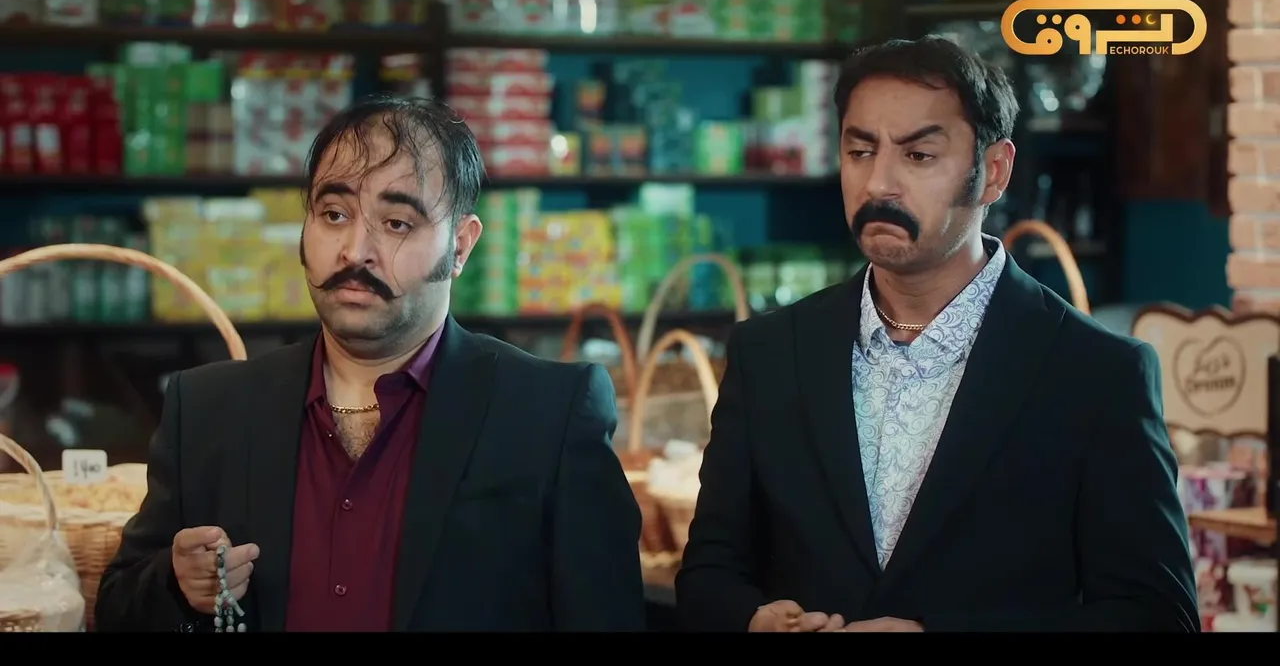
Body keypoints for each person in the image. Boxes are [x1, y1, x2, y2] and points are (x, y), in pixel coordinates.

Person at [675, 37, 1199, 633]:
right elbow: (708, 575)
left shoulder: (1098, 373)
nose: (879, 184)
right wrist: (753, 620)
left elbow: (1157, 615)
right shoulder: (769, 353)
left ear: (994, 172)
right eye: (860, 151)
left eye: (919, 155)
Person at [95, 95, 646, 632]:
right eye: (334, 214)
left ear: (460, 246)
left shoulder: (548, 415)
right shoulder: (209, 410)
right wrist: (176, 584)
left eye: (397, 222)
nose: (355, 250)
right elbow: (118, 605)